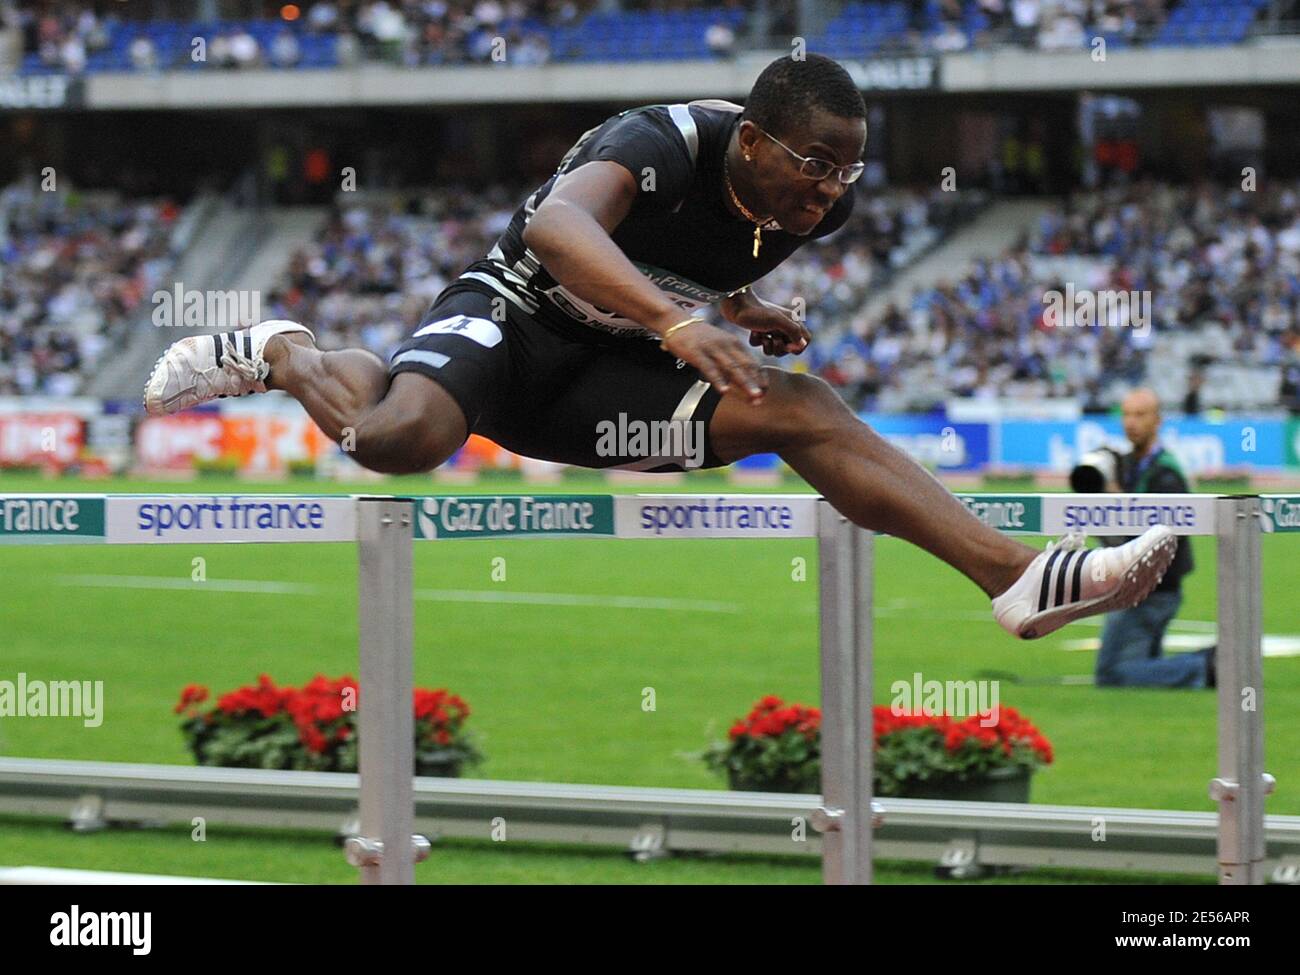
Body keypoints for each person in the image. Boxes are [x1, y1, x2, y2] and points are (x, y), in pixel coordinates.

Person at [143, 54, 1176, 640]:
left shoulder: (812, 208)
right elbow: (559, 230)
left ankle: (1019, 576)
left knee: (803, 405)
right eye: (813, 165)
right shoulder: (659, 140)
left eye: (847, 174)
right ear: (754, 141)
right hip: (515, 320)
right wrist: (684, 321)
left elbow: (706, 250)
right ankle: (284, 352)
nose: (827, 192)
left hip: (610, 379)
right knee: (394, 438)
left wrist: (740, 299)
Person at [1095, 389, 1215, 688]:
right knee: (1141, 665)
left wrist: (1117, 502)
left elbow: (1159, 539)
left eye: (1139, 415)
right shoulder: (1129, 465)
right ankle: (1212, 659)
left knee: (1114, 673)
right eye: (1126, 414)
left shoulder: (1166, 475)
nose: (1130, 422)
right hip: (1141, 585)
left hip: (1152, 590)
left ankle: (1210, 668)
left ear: (1158, 421)